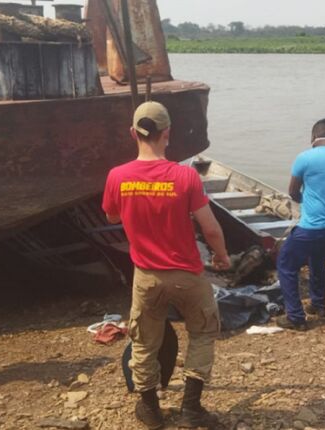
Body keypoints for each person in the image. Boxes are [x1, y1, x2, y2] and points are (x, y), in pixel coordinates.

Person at [102, 101, 231, 430]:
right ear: (167, 134)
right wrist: (221, 256)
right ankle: (191, 408)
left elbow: (112, 215)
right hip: (187, 273)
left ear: (133, 133)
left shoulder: (118, 176)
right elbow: (211, 228)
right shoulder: (186, 176)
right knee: (202, 333)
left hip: (146, 276)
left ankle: (151, 410)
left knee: (144, 342)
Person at [276, 119, 325, 330]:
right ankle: (318, 305)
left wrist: (303, 200)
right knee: (317, 260)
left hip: (312, 226)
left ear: (313, 138)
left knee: (286, 265)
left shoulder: (305, 158)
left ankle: (295, 317)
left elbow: (293, 191)